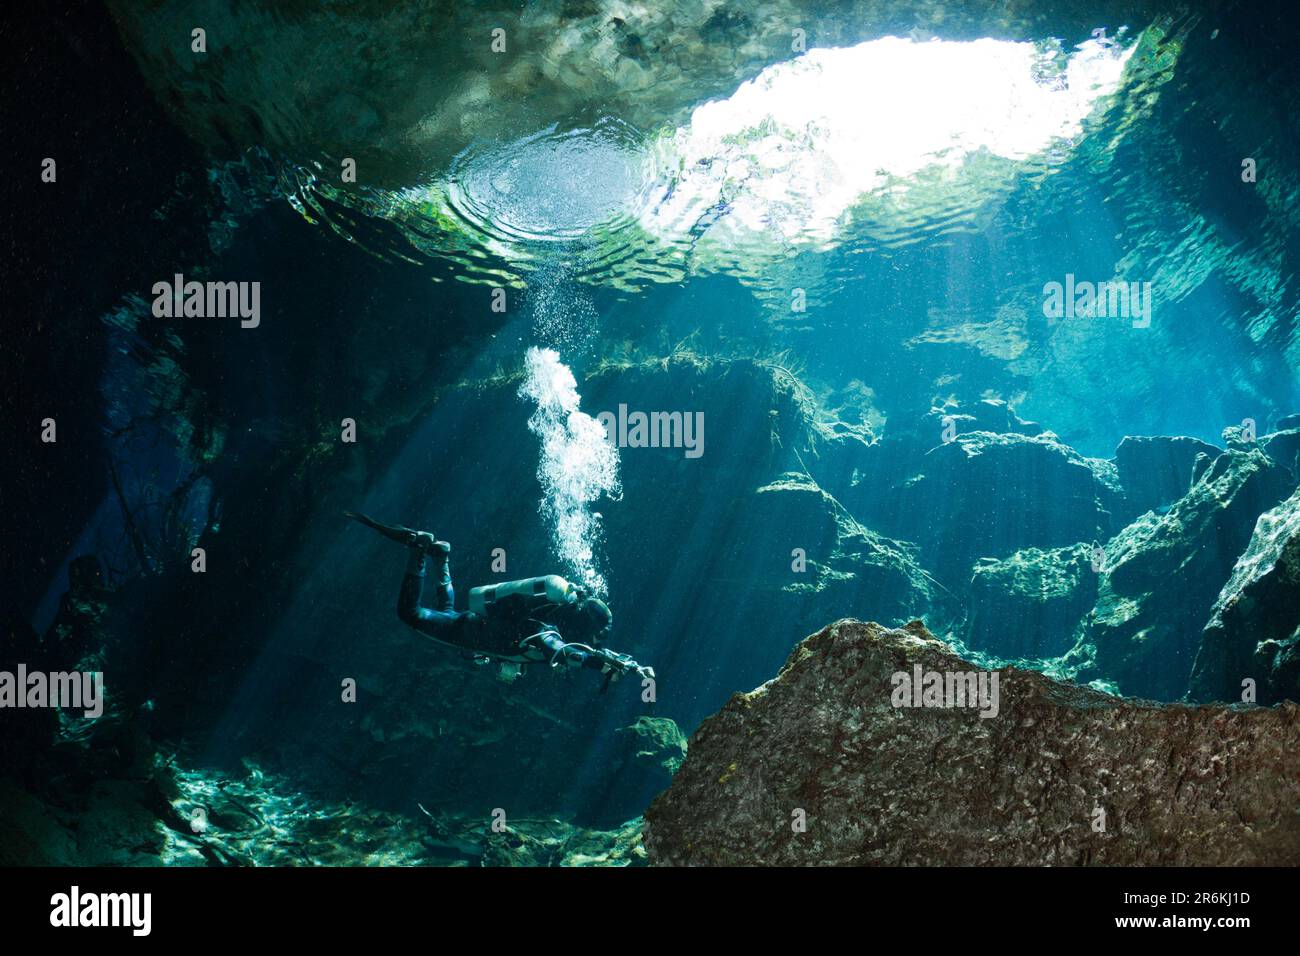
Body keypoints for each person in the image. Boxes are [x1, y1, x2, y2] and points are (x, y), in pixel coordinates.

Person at [396, 532, 653, 685]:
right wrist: (599, 665)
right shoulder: (547, 632)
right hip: (469, 631)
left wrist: (619, 663)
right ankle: (418, 550)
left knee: (448, 612)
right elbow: (564, 653)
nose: (590, 641)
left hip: (472, 627)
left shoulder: (545, 618)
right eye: (593, 635)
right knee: (410, 614)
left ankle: (441, 556)